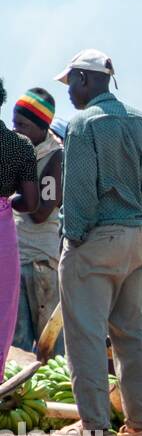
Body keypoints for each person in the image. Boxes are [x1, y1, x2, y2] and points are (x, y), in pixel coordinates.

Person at [53, 49, 142, 436]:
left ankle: (96, 426)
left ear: (84, 79)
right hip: (134, 239)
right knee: (133, 335)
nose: (69, 93)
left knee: (85, 334)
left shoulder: (84, 124)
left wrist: (74, 237)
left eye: (70, 84)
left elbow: (79, 190)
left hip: (95, 238)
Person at [11, 88, 64, 353]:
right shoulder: (21, 151)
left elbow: (42, 210)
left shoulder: (54, 156)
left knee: (49, 344)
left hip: (39, 261)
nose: (15, 130)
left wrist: (13, 193)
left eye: (22, 125)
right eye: (13, 123)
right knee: (17, 342)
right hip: (16, 257)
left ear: (42, 127)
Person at [0, 80, 40, 371]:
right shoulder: (19, 145)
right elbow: (32, 202)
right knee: (2, 309)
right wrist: (6, 204)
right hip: (3, 229)